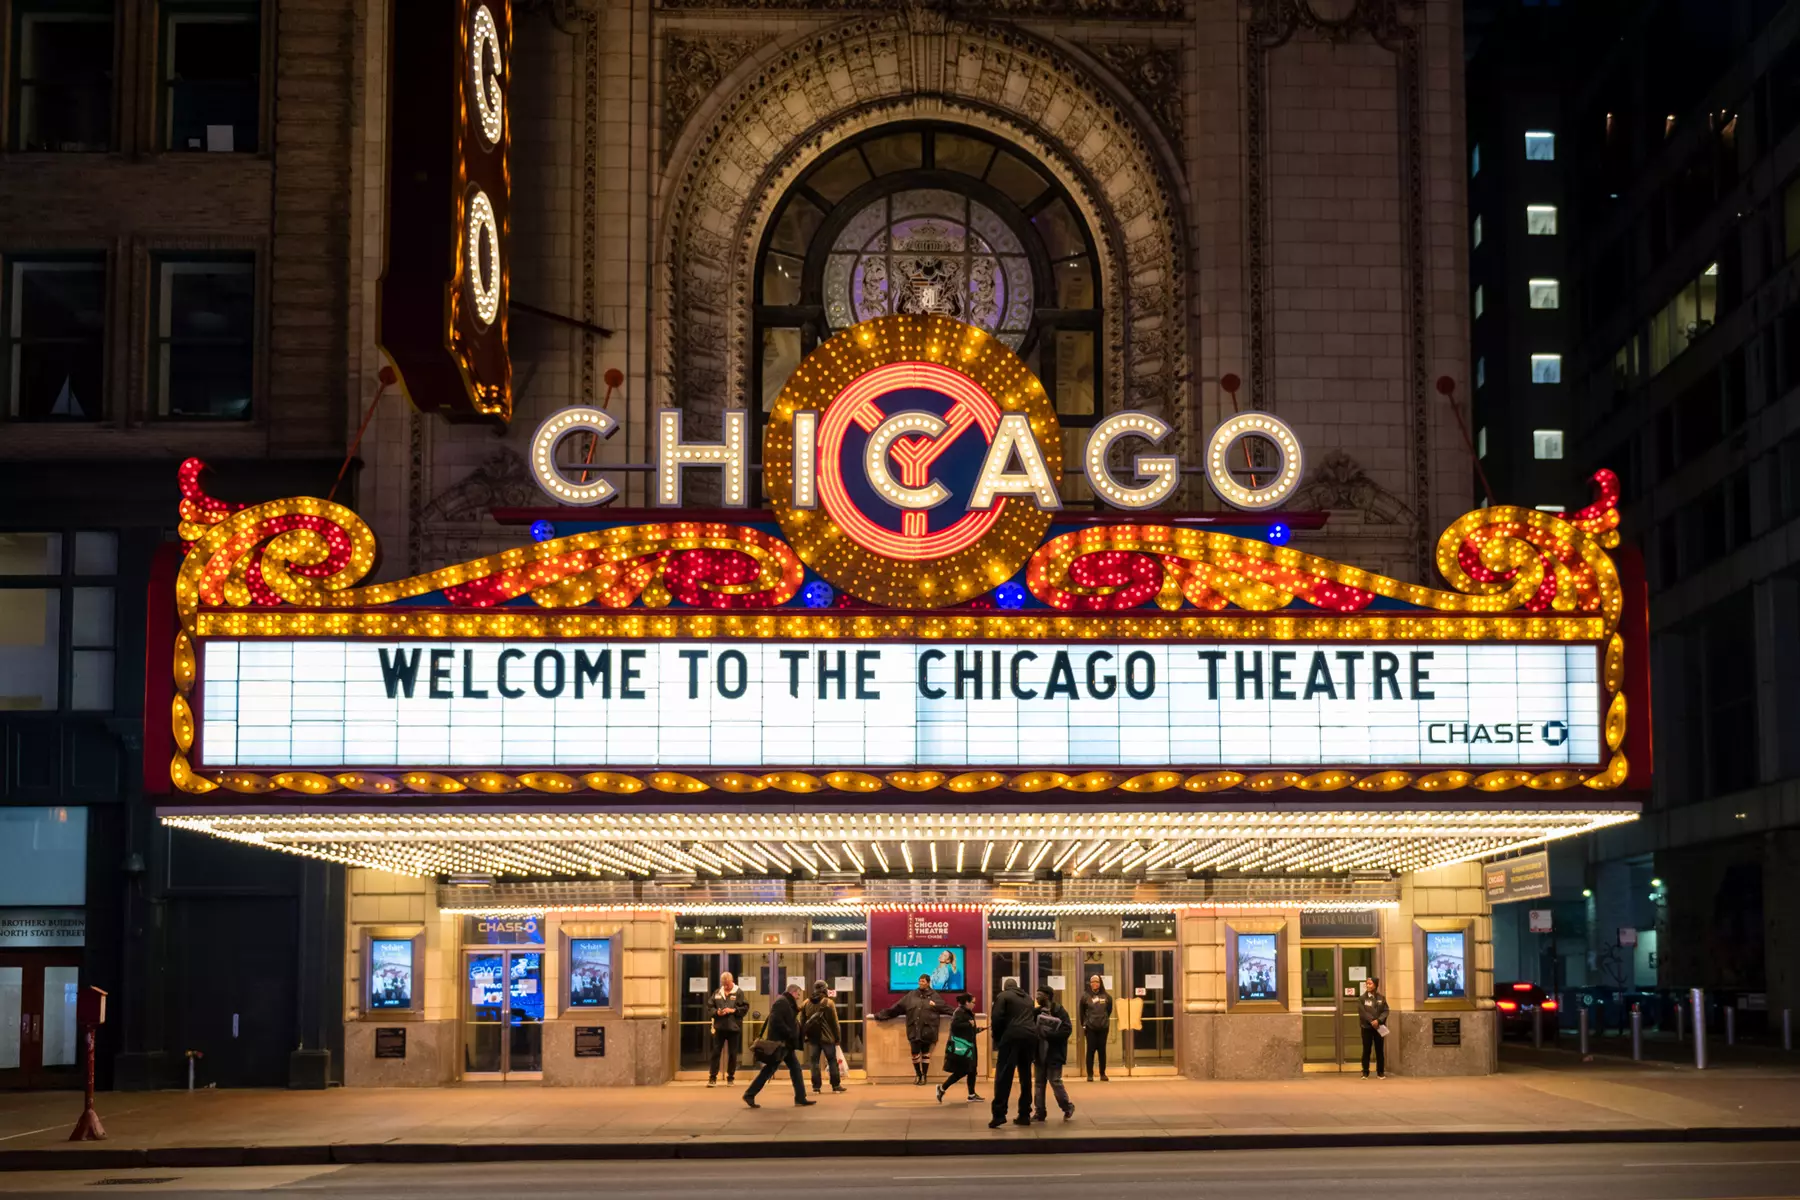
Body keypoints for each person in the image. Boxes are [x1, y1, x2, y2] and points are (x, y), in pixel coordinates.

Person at [743, 982, 815, 1108]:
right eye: (798, 994)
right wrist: (789, 1033)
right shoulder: (782, 1002)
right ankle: (749, 1094)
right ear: (793, 992)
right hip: (780, 1044)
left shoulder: (787, 1003)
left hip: (785, 1044)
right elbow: (776, 1021)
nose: (798, 997)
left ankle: (800, 1097)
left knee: (795, 1069)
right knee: (770, 1070)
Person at [876, 973, 954, 1084]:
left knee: (926, 1053)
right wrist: (881, 1015)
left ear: (928, 982)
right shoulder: (911, 995)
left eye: (923, 981)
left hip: (929, 1030)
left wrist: (961, 1014)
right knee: (915, 1053)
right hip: (914, 1029)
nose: (921, 983)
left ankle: (925, 1076)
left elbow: (945, 1008)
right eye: (920, 981)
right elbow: (897, 1008)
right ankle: (918, 1074)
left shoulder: (935, 996)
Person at [987, 976, 1041, 1128]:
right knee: (1025, 1076)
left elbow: (996, 1018)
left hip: (1012, 1037)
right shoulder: (1028, 998)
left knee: (1004, 1076)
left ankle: (999, 1114)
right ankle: (1024, 1114)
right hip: (1030, 1038)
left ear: (1005, 987)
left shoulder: (1003, 996)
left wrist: (997, 1039)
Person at [1032, 985, 1076, 1122]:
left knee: (1055, 1081)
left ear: (1048, 996)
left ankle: (1067, 1106)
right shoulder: (1035, 1012)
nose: (1037, 997)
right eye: (1037, 994)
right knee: (1039, 1083)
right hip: (1039, 1053)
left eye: (1040, 995)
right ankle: (1040, 1112)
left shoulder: (1059, 1011)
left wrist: (1049, 1034)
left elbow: (1067, 1030)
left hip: (1054, 1053)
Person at [936, 992, 985, 1103]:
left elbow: (967, 1028)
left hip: (969, 1046)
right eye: (973, 1002)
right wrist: (970, 1025)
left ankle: (971, 1094)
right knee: (963, 1071)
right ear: (967, 1002)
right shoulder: (959, 1012)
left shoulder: (965, 1012)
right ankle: (942, 1088)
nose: (974, 1005)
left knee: (972, 1070)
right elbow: (955, 1026)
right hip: (963, 1047)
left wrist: (978, 1029)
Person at [801, 980, 845, 1094]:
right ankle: (836, 1086)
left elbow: (803, 1022)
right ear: (824, 989)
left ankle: (816, 1087)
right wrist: (837, 1038)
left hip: (813, 1038)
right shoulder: (828, 1003)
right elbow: (834, 1023)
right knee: (831, 1060)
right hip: (827, 1038)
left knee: (814, 1062)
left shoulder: (806, 1003)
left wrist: (805, 1035)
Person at [707, 972, 749, 1087]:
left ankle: (730, 1077)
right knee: (716, 1052)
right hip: (719, 1027)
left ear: (732, 981)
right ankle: (712, 1077)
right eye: (724, 984)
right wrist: (717, 1012)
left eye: (727, 984)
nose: (726, 986)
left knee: (733, 1053)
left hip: (733, 1028)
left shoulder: (739, 992)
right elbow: (710, 1007)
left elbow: (745, 1008)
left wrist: (733, 1010)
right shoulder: (717, 992)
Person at [1079, 974, 1114, 1081]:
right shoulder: (1085, 996)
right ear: (1090, 984)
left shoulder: (1107, 996)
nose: (1095, 984)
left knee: (1102, 1051)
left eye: (1097, 982)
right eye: (1093, 982)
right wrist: (1084, 1024)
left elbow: (1109, 1011)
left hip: (1103, 1028)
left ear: (1100, 983)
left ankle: (1102, 1073)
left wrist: (1104, 1020)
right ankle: (1090, 1074)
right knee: (1090, 1051)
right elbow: (1081, 1012)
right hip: (1090, 1028)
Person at [1358, 977, 1389, 1079]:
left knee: (1379, 1050)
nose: (1368, 985)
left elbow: (1385, 1011)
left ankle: (1380, 1072)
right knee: (1366, 1049)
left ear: (1375, 985)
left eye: (1370, 984)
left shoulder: (1381, 998)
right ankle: (1365, 1072)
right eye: (1367, 983)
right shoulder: (1362, 998)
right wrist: (1372, 1021)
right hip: (1366, 1027)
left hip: (1379, 1028)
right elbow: (1363, 1012)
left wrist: (1378, 1021)